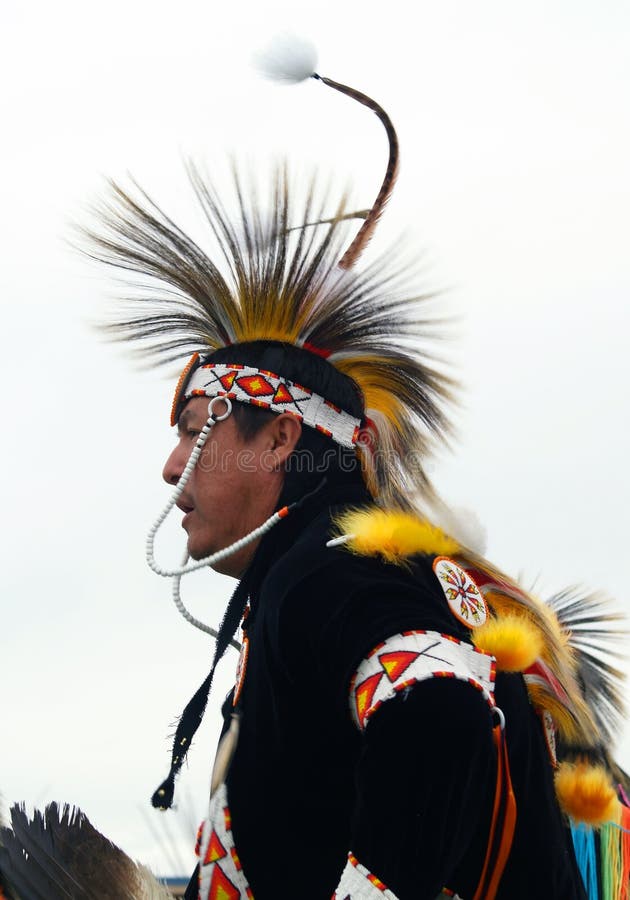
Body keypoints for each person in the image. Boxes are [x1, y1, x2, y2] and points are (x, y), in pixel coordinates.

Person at [5, 43, 622, 900]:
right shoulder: (334, 578)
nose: (171, 466)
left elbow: (440, 699)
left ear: (278, 441)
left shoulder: (326, 575)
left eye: (193, 429)